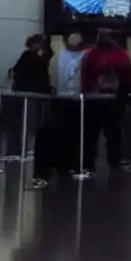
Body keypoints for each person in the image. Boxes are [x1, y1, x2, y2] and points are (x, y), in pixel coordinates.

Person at [80, 29, 131, 172]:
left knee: (108, 134)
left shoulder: (94, 54)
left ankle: (106, 162)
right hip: (105, 100)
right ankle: (106, 163)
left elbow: (85, 76)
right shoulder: (118, 54)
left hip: (107, 101)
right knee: (102, 134)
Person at [7, 35, 53, 157]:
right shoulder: (34, 59)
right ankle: (27, 148)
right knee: (30, 123)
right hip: (32, 95)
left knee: (22, 124)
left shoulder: (26, 57)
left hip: (26, 95)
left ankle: (19, 148)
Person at [52, 32, 88, 176]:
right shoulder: (87, 55)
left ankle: (65, 163)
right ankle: (72, 162)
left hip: (66, 99)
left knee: (67, 133)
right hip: (74, 100)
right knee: (74, 133)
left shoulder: (58, 57)